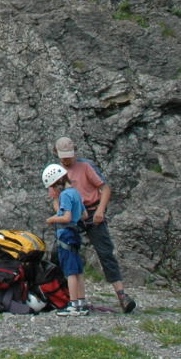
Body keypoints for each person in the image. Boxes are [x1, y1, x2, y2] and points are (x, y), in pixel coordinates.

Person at [54, 135, 137, 313]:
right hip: (72, 215)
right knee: (69, 253)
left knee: (105, 252)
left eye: (69, 155)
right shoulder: (56, 171)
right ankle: (72, 298)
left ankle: (121, 295)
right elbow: (54, 197)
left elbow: (105, 188)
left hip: (92, 212)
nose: (67, 159)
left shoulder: (85, 166)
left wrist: (100, 211)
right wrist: (61, 213)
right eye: (63, 156)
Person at [44, 163, 89, 315]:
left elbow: (66, 217)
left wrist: (52, 220)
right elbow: (84, 215)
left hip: (66, 236)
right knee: (78, 271)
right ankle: (82, 303)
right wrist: (56, 201)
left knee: (70, 271)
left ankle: (73, 305)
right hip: (75, 235)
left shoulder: (65, 195)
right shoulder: (75, 193)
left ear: (56, 182)